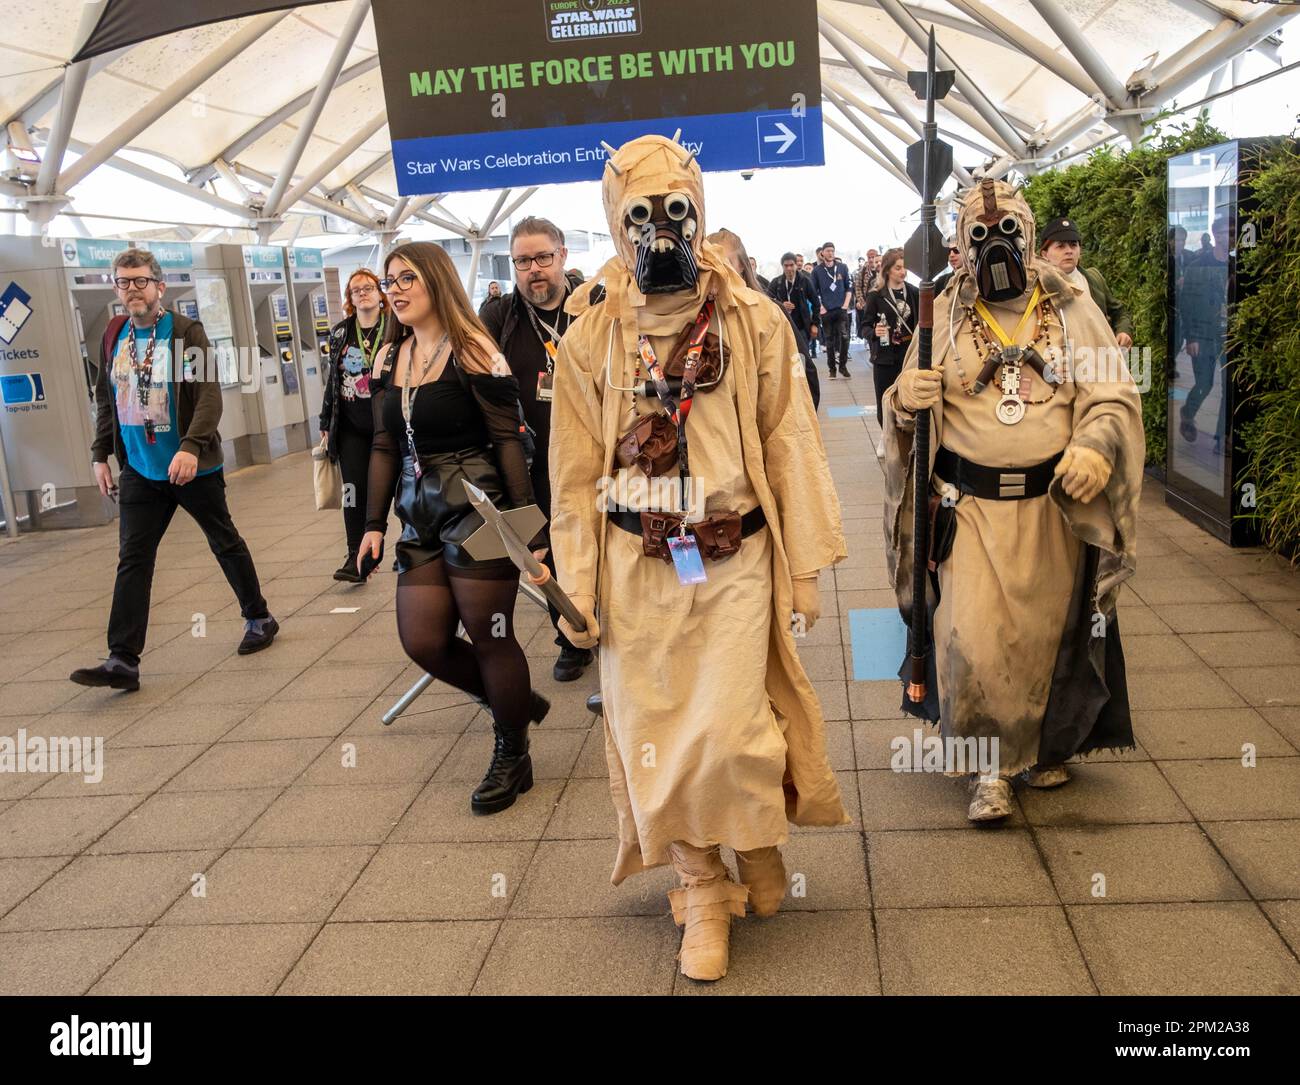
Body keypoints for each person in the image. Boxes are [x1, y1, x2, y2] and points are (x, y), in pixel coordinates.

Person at [549, 134, 849, 983]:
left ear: (700, 213)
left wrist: (803, 568)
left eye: (674, 214)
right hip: (634, 564)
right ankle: (701, 888)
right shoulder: (589, 337)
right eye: (639, 218)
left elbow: (790, 438)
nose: (660, 235)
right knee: (656, 739)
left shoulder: (754, 317)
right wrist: (576, 589)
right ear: (615, 224)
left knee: (728, 732)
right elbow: (572, 474)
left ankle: (753, 838)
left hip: (734, 557)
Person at [881, 180, 1144, 823]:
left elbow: (1113, 395)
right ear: (962, 248)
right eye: (978, 236)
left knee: (1049, 635)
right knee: (971, 635)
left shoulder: (1075, 310)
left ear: (1027, 238)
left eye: (1005, 233)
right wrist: (904, 403)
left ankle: (1046, 745)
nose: (993, 246)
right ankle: (989, 767)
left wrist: (1095, 447)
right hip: (969, 510)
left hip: (1053, 509)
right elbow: (903, 412)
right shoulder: (939, 314)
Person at [358, 242, 548, 815]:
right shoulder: (390, 356)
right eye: (390, 279)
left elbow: (508, 440)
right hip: (419, 514)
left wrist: (528, 529)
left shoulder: (473, 349)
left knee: (490, 636)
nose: (395, 288)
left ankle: (512, 750)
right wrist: (370, 525)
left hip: (477, 505)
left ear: (437, 280)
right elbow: (385, 441)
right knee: (423, 641)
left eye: (407, 277)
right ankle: (513, 702)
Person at [70, 248, 277, 692]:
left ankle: (259, 616)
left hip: (190, 469)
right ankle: (122, 658)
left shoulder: (185, 333)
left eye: (141, 281)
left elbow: (208, 396)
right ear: (116, 289)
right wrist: (99, 454)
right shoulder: (113, 335)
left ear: (159, 286)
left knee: (223, 540)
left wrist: (190, 447)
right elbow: (107, 400)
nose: (132, 290)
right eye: (124, 282)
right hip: (140, 471)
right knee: (133, 559)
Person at [479, 216, 595, 682]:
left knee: (608, 545)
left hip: (598, 453)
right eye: (522, 261)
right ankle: (569, 635)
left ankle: (617, 632)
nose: (534, 270)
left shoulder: (592, 308)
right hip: (538, 458)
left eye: (543, 258)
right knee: (548, 552)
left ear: (563, 256)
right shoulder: (498, 318)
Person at [319, 268, 388, 582]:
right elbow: (333, 380)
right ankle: (354, 558)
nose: (363, 293)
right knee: (353, 492)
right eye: (356, 289)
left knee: (404, 491)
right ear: (349, 297)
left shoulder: (394, 328)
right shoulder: (340, 332)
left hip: (390, 424)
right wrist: (325, 420)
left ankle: (412, 546)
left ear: (379, 293)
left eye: (368, 287)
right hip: (351, 427)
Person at [1038, 217, 1134, 349]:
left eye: (1073, 245)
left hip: (1098, 359)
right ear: (1044, 254)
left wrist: (1123, 331)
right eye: (1060, 246)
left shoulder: (1094, 278)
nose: (1069, 251)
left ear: (1080, 250)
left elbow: (1119, 312)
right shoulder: (1037, 288)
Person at [862, 247, 918, 455]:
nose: (902, 272)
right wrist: (874, 332)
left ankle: (908, 438)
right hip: (884, 357)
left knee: (909, 399)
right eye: (898, 268)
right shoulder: (876, 296)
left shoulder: (914, 293)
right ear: (887, 270)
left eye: (905, 268)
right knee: (884, 399)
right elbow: (864, 327)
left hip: (909, 355)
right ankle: (886, 436)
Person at [767, 250, 821, 408]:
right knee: (786, 362)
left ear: (796, 266)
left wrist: (815, 324)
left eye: (792, 265)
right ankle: (790, 395)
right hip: (783, 329)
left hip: (801, 328)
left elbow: (816, 304)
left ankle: (805, 395)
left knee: (803, 361)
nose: (789, 269)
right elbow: (767, 302)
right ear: (782, 266)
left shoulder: (805, 281)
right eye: (786, 266)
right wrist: (781, 305)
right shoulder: (776, 283)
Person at [811, 241, 854, 379]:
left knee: (844, 337)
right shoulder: (817, 270)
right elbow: (813, 291)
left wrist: (845, 305)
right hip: (826, 311)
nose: (830, 253)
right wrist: (821, 307)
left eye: (832, 251)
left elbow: (849, 287)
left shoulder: (842, 267)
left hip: (841, 309)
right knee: (829, 340)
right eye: (827, 251)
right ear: (822, 253)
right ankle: (832, 369)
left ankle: (842, 366)